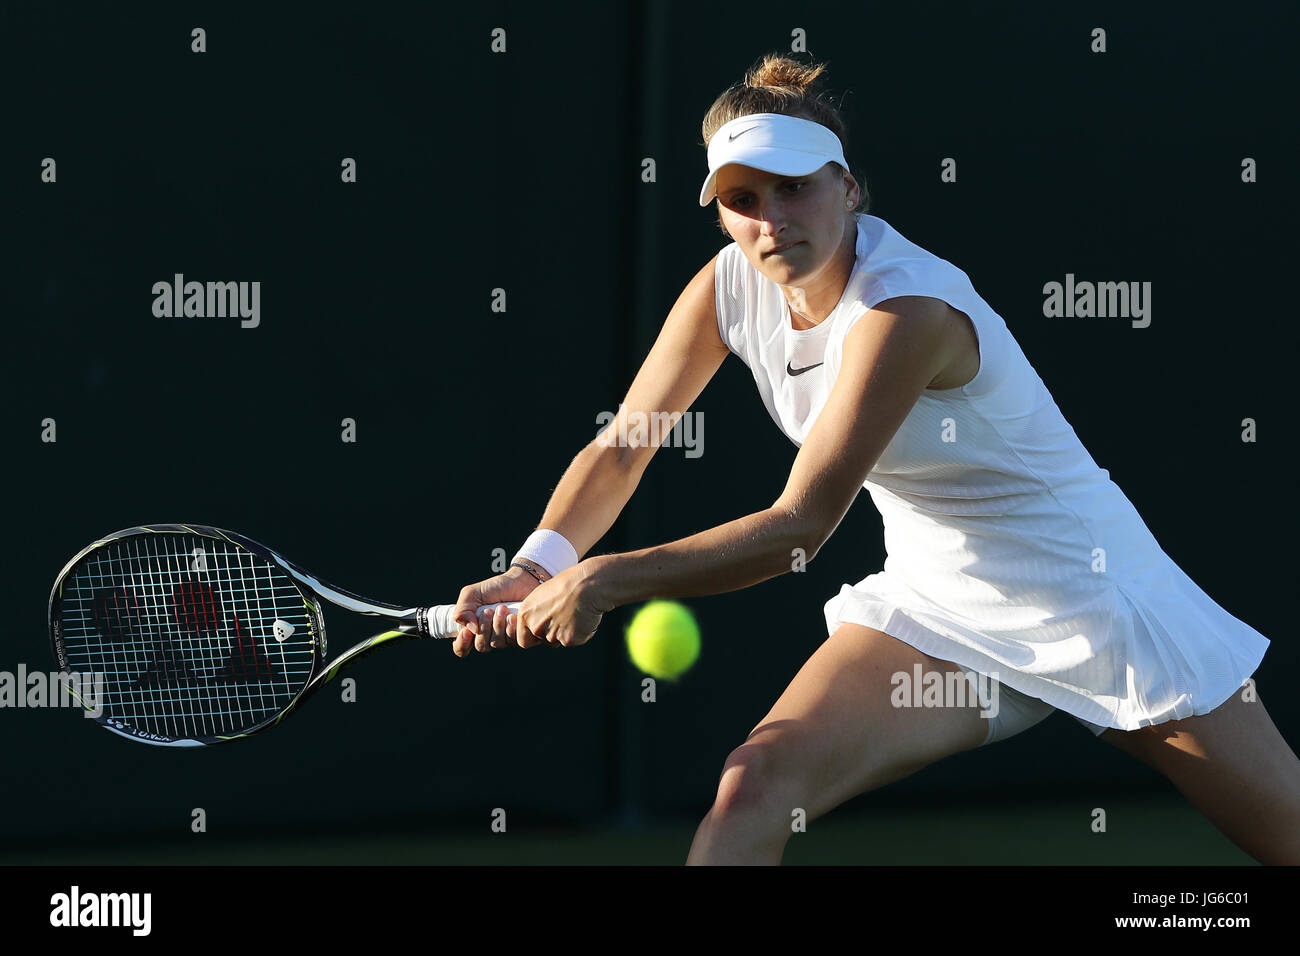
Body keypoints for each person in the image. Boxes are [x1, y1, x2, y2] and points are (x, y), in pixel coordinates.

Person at [450, 53, 1300, 865]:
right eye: (744, 198)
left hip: (1096, 597)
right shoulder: (725, 289)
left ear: (848, 189)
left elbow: (799, 529)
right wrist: (538, 566)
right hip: (941, 608)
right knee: (753, 787)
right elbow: (625, 447)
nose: (772, 217)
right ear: (718, 213)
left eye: (795, 187)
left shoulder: (906, 312)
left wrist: (605, 579)